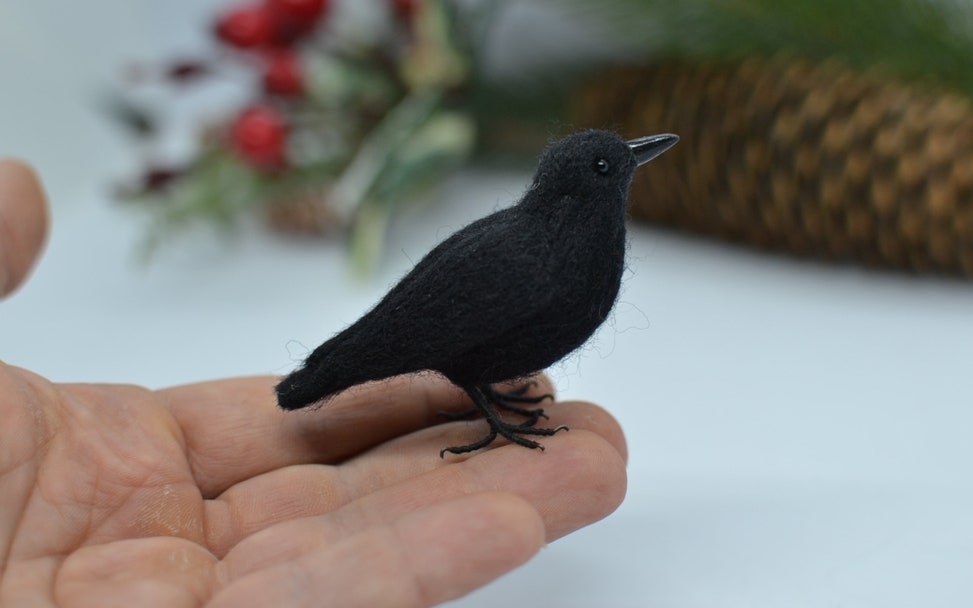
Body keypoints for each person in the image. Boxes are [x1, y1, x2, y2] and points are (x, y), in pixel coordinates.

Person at [0, 159, 628, 606]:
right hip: (430, 343)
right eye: (608, 166)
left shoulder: (565, 242)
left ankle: (486, 402)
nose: (624, 166)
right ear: (578, 185)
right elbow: (431, 322)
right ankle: (484, 406)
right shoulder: (538, 253)